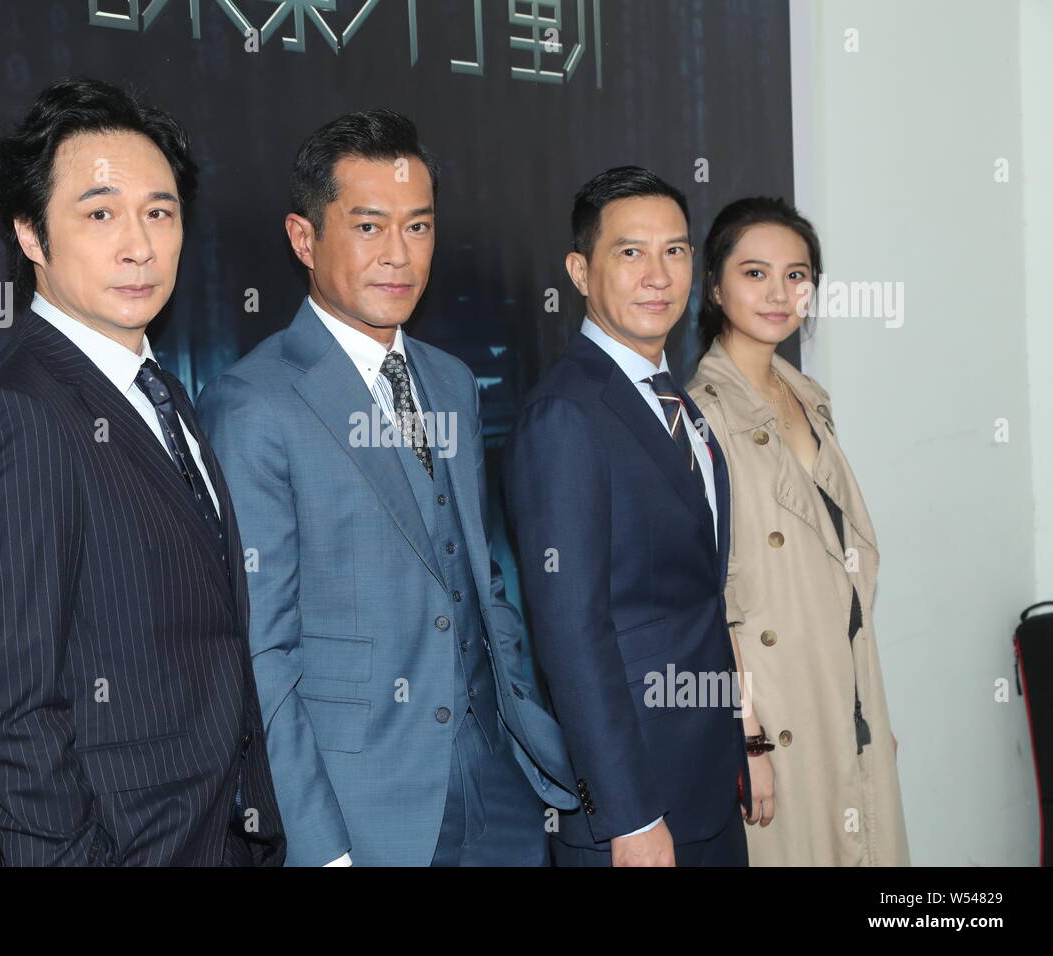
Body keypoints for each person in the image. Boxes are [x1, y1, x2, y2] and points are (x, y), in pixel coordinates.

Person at [196, 108, 577, 866]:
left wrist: (520, 731)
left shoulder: (453, 382)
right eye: (369, 227)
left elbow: (478, 573)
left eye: (419, 227)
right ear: (305, 239)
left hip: (496, 786)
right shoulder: (255, 402)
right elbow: (260, 652)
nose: (399, 255)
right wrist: (317, 846)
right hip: (360, 811)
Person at [0, 77, 284, 866]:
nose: (139, 245)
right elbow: (14, 721)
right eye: (98, 214)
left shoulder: (163, 395)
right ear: (28, 233)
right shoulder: (17, 415)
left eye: (160, 212)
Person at [505, 166, 750, 867]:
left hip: (705, 780)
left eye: (674, 251)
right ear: (581, 271)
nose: (658, 275)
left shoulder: (677, 401)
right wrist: (630, 813)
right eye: (630, 252)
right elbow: (570, 632)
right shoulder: (566, 413)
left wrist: (742, 746)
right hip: (634, 807)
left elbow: (700, 598)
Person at [686, 196, 910, 865]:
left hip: (843, 683)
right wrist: (748, 737)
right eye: (756, 273)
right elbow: (708, 598)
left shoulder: (807, 397)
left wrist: (868, 709)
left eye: (797, 274)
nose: (780, 293)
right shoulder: (701, 416)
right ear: (716, 287)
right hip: (777, 705)